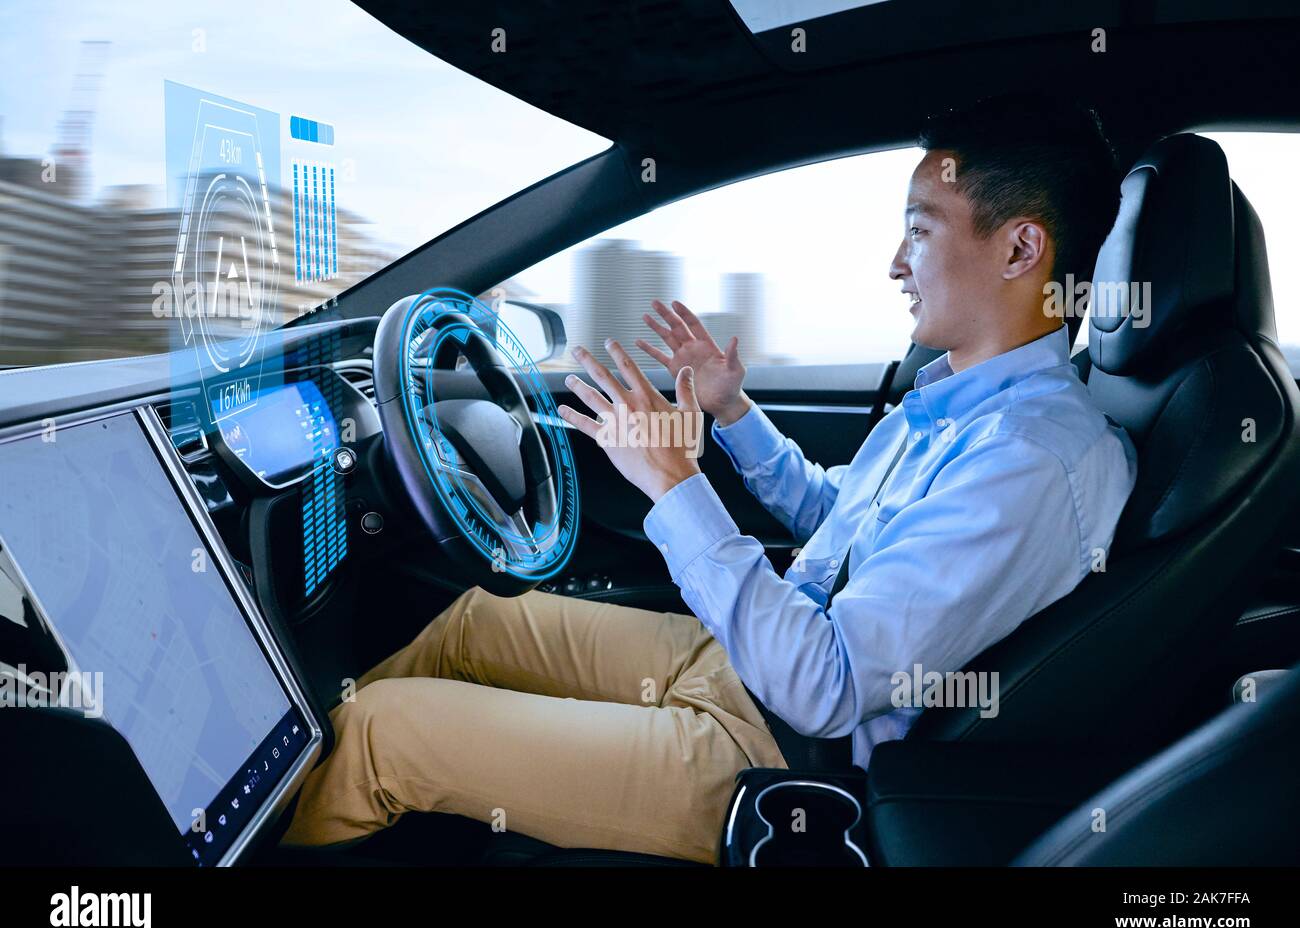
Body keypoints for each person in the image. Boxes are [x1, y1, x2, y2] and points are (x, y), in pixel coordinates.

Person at [280, 93, 1138, 864]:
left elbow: (828, 688)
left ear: (1022, 247)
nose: (895, 263)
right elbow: (841, 525)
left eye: (919, 228)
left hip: (777, 749)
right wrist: (732, 414)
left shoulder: (1031, 459)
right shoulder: (962, 406)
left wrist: (673, 483)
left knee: (382, 735)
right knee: (473, 623)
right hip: (745, 656)